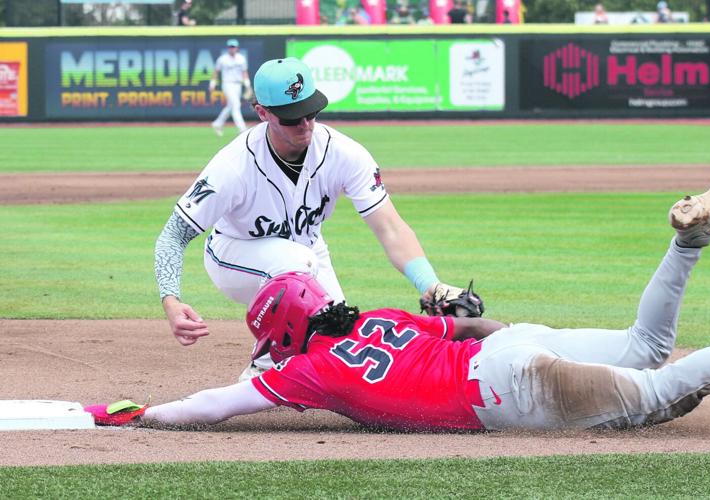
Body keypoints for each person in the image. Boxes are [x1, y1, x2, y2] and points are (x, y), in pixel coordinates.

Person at [99, 177, 710, 431]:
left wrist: (146, 415)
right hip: (499, 347)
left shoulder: (302, 375)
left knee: (658, 395)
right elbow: (474, 320)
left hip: (504, 390)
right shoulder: (374, 319)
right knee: (644, 348)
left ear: (282, 333)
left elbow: (213, 404)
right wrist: (479, 316)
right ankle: (688, 244)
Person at [154, 58, 472, 381]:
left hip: (306, 256)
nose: (305, 124)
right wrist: (171, 301)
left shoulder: (344, 154)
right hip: (233, 254)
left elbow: (390, 228)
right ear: (262, 113)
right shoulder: (232, 167)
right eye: (292, 118)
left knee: (341, 338)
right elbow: (172, 236)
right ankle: (262, 368)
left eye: (311, 112)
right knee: (297, 262)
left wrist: (430, 284)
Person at [209, 39, 250, 137]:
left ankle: (217, 123)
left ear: (237, 48)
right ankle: (242, 128)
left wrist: (248, 86)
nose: (232, 49)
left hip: (238, 84)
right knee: (236, 105)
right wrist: (212, 84)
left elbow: (244, 73)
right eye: (230, 47)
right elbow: (216, 72)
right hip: (227, 84)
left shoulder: (241, 58)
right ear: (228, 48)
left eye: (234, 47)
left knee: (230, 106)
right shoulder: (222, 59)